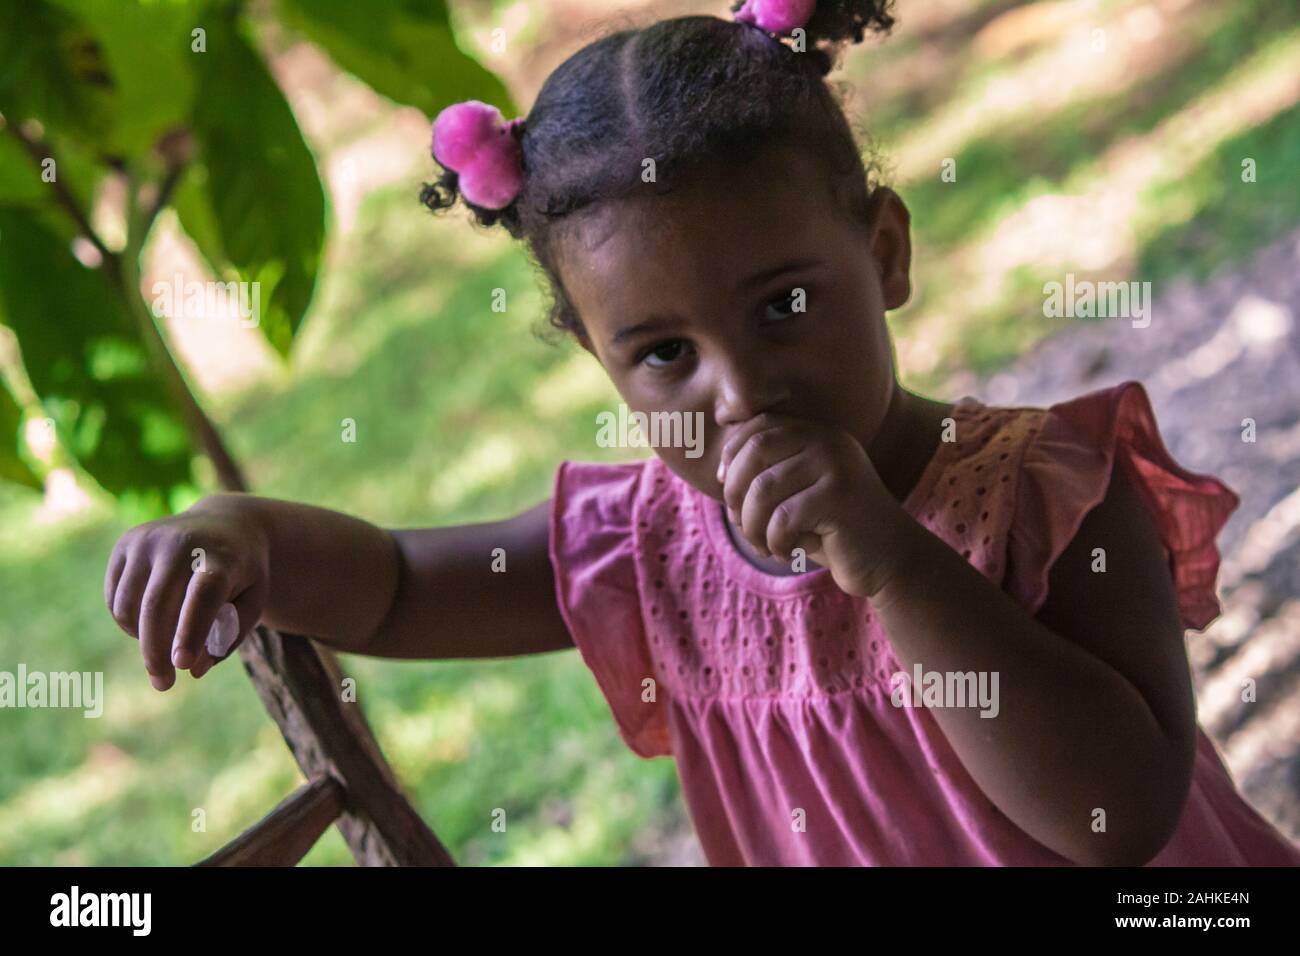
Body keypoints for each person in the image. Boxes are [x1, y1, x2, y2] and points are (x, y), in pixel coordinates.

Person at [105, 0, 1300, 866]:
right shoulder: (649, 549)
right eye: (664, 352)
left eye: (784, 305)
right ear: (598, 358)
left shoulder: (1050, 491)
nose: (739, 388)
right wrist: (239, 531)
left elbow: (1118, 816)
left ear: (882, 252)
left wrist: (889, 557)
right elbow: (399, 587)